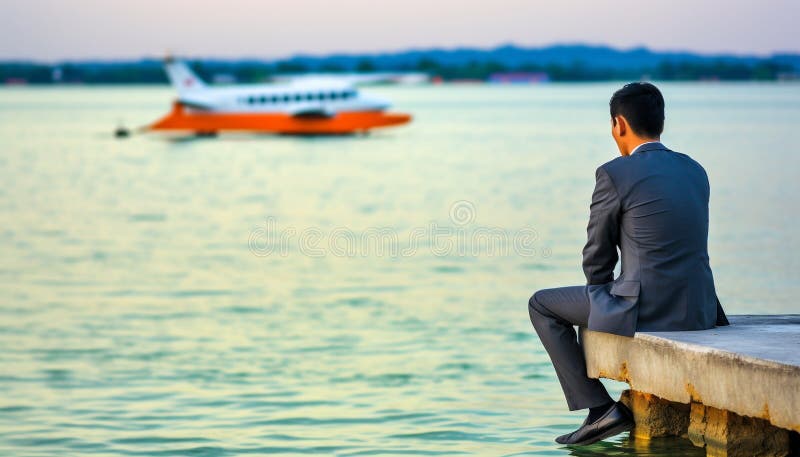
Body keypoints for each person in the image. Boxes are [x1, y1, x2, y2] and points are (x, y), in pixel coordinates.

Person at [528, 82, 729, 446]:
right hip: (700, 309)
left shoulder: (614, 173)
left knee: (541, 304)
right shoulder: (695, 170)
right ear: (660, 123)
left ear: (618, 124)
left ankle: (599, 409)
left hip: (643, 308)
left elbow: (597, 254)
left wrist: (602, 297)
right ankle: (598, 410)